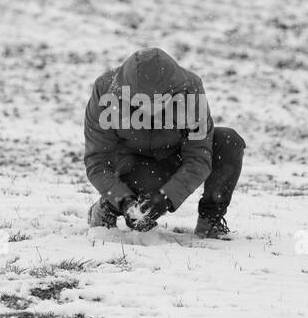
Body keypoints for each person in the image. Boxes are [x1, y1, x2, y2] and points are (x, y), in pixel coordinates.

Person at [83, 48, 245, 239]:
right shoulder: (105, 90)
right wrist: (123, 200)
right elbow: (98, 161)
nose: (151, 109)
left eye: (161, 101)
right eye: (140, 102)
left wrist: (166, 198)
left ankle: (210, 222)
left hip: (171, 159)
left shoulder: (191, 90)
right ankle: (108, 206)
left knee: (228, 141)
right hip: (130, 165)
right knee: (145, 181)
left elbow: (199, 157)